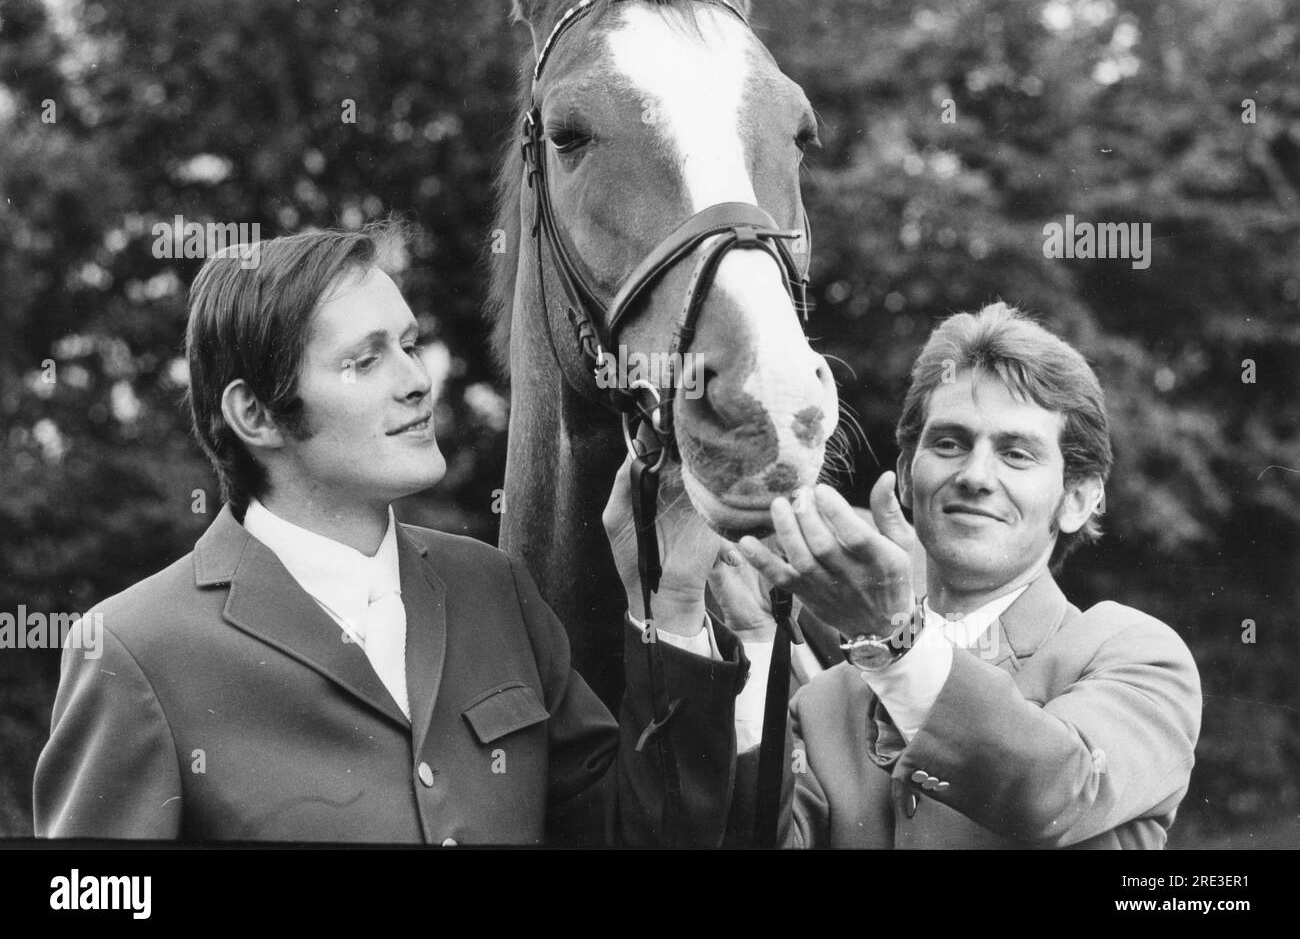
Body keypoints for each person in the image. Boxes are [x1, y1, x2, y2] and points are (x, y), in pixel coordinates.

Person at [33, 226, 747, 846]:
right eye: (365, 359)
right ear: (255, 415)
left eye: (410, 344)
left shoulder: (495, 589)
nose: (417, 381)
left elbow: (646, 835)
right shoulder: (134, 649)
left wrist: (675, 604)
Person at [730, 302, 1202, 848]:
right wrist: (751, 639)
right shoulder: (822, 701)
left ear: (1076, 499)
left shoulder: (1136, 652)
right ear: (906, 477)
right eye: (950, 443)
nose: (976, 476)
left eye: (1017, 454)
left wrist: (897, 640)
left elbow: (1054, 791)